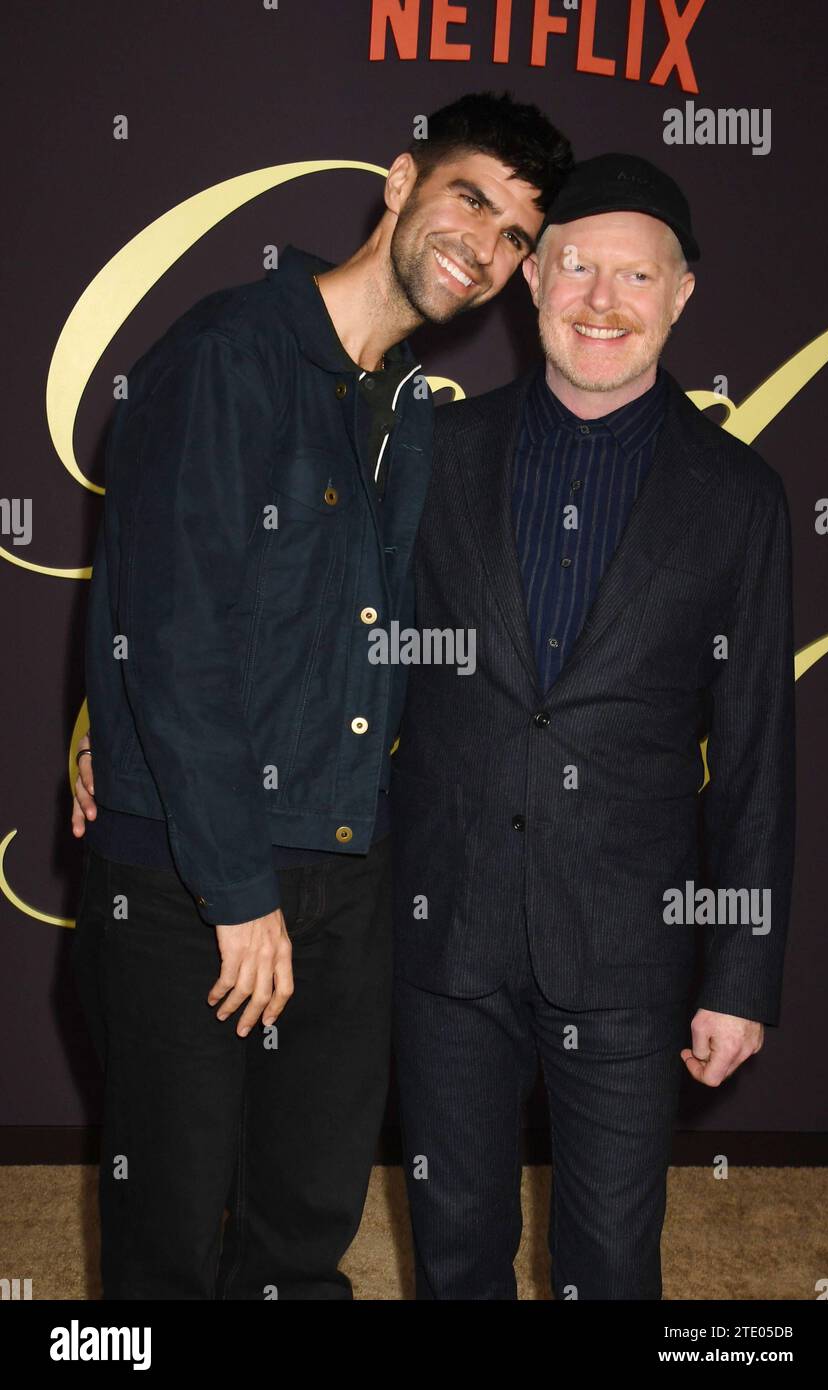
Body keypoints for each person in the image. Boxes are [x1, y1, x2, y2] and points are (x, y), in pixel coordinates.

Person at [69, 91, 572, 1300]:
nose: (487, 247)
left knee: (305, 1228)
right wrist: (239, 892)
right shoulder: (224, 353)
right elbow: (174, 631)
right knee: (172, 1241)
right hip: (194, 879)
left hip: (348, 870)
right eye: (471, 199)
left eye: (516, 236)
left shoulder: (404, 406)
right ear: (400, 182)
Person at [389, 153, 796, 1299]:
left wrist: (744, 971)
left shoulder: (740, 496)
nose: (600, 302)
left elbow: (760, 750)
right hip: (448, 934)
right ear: (531, 280)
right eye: (575, 266)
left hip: (627, 951)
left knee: (610, 1265)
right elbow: (348, 656)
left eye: (634, 276)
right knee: (455, 1250)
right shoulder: (435, 451)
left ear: (681, 296)